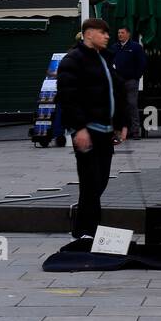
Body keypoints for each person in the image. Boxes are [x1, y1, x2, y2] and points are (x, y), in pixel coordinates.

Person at [56, 18, 128, 240]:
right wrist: (78, 129)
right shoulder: (72, 60)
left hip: (105, 131)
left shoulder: (104, 59)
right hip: (87, 130)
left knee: (101, 180)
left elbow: (117, 91)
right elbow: (68, 97)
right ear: (88, 34)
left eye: (108, 33)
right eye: (103, 32)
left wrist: (121, 122)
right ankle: (87, 231)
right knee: (90, 183)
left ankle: (84, 227)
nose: (108, 36)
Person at [110, 26, 147, 139]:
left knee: (132, 104)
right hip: (117, 82)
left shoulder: (135, 47)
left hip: (131, 81)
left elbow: (142, 63)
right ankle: (119, 131)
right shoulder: (114, 48)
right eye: (118, 33)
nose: (120, 35)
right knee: (117, 106)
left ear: (128, 34)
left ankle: (135, 131)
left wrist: (136, 76)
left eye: (122, 32)